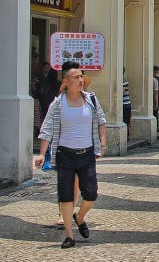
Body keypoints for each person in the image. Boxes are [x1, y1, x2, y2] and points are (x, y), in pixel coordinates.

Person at [35, 61, 107, 249]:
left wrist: (102, 142)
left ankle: (80, 217)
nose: (81, 80)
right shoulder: (58, 104)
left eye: (81, 76)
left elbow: (101, 121)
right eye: (76, 77)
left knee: (91, 194)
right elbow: (47, 129)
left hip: (87, 154)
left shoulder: (91, 100)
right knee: (66, 196)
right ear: (66, 82)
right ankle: (69, 235)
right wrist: (41, 154)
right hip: (65, 155)